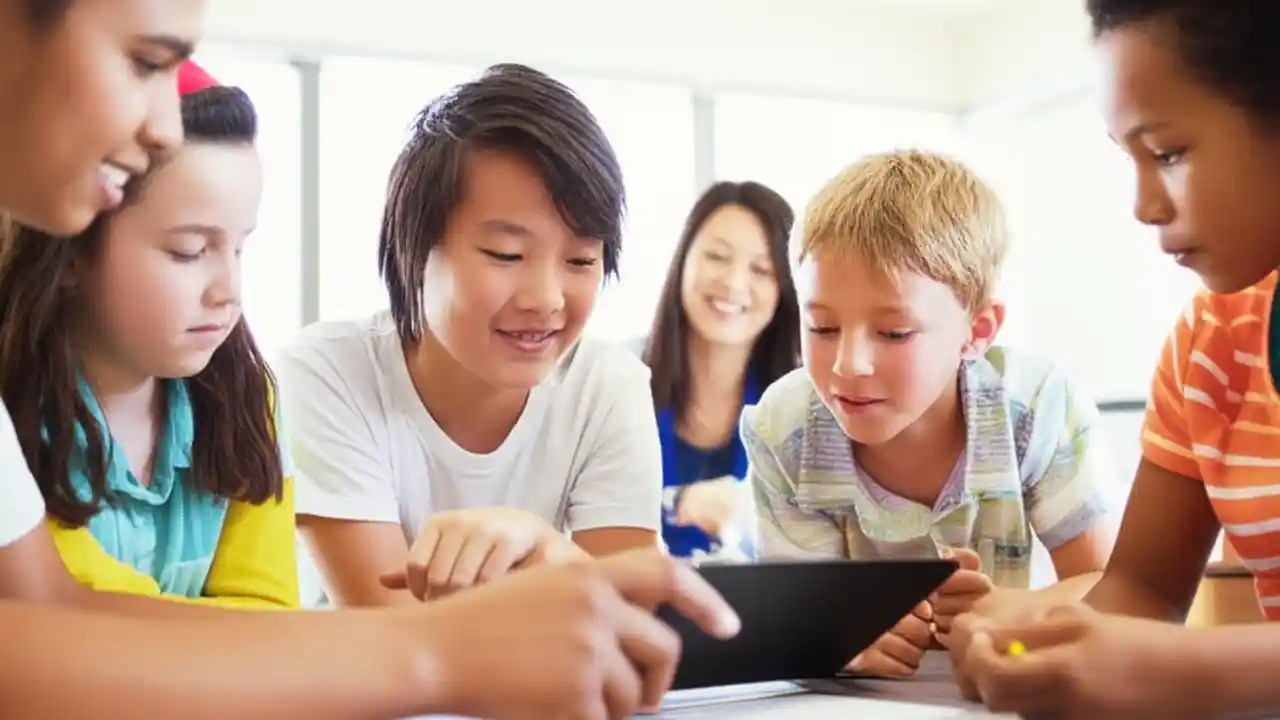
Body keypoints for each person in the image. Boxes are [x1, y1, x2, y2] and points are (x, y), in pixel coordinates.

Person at [0, 1, 740, 717]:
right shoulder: (321, 372)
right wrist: (443, 653)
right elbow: (48, 626)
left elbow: (50, 611)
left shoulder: (240, 401)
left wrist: (524, 580)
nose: (166, 124)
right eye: (145, 61)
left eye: (580, 259)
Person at [950, 1, 1280, 717]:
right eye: (1127, 156)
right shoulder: (1210, 344)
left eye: (1168, 153)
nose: (1142, 205)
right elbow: (1143, 588)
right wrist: (1037, 642)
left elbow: (1170, 655)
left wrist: (1186, 671)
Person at [278, 63, 663, 606]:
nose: (546, 300)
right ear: (415, 250)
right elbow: (396, 633)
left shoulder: (608, 386)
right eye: (506, 254)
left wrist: (550, 550)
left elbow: (630, 622)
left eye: (580, 260)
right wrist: (563, 583)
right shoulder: (330, 372)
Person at [742, 149, 1116, 679]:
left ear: (977, 331)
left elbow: (1113, 586)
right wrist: (838, 640)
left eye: (894, 333)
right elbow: (797, 618)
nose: (849, 364)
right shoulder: (785, 431)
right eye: (822, 328)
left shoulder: (1035, 409)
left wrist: (1017, 612)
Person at [0, 65, 298, 608]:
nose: (228, 291)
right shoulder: (11, 416)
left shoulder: (249, 404)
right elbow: (75, 610)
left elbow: (271, 614)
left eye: (239, 249)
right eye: (189, 251)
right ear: (69, 251)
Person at [642, 180, 800, 560]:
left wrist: (743, 512)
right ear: (683, 260)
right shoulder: (617, 382)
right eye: (716, 256)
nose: (733, 283)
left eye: (761, 269)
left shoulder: (803, 408)